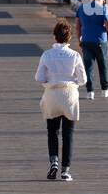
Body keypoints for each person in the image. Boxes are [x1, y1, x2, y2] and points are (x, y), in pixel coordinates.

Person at [35, 20, 86, 181]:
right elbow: (83, 79)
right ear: (69, 37)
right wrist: (73, 83)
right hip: (69, 94)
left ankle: (54, 162)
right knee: (68, 133)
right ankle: (65, 171)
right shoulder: (75, 55)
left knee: (52, 130)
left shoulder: (47, 55)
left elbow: (39, 77)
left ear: (54, 37)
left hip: (52, 94)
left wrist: (48, 82)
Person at [75, 0, 108, 100]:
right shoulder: (103, 9)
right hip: (100, 41)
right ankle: (104, 89)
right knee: (103, 66)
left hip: (86, 41)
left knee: (88, 66)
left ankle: (90, 92)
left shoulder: (81, 8)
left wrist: (79, 40)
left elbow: (77, 26)